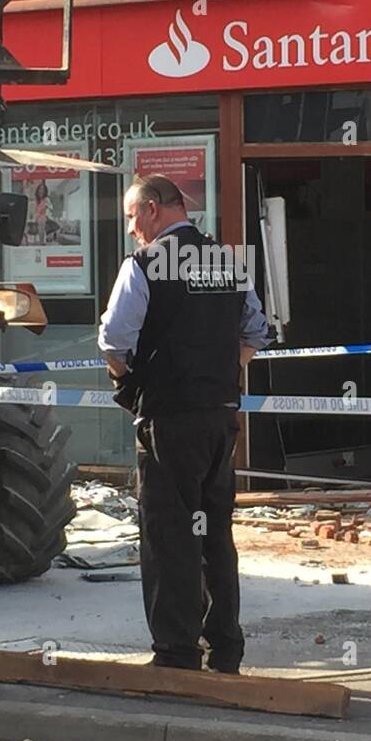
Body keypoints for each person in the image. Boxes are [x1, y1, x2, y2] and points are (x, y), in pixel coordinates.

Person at [98, 174, 270, 674]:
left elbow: (113, 340)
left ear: (153, 209)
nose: (131, 229)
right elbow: (256, 331)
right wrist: (217, 373)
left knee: (171, 535)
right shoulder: (227, 262)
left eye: (132, 217)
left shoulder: (146, 264)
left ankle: (176, 653)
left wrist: (129, 382)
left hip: (168, 418)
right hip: (219, 417)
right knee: (216, 533)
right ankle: (225, 650)